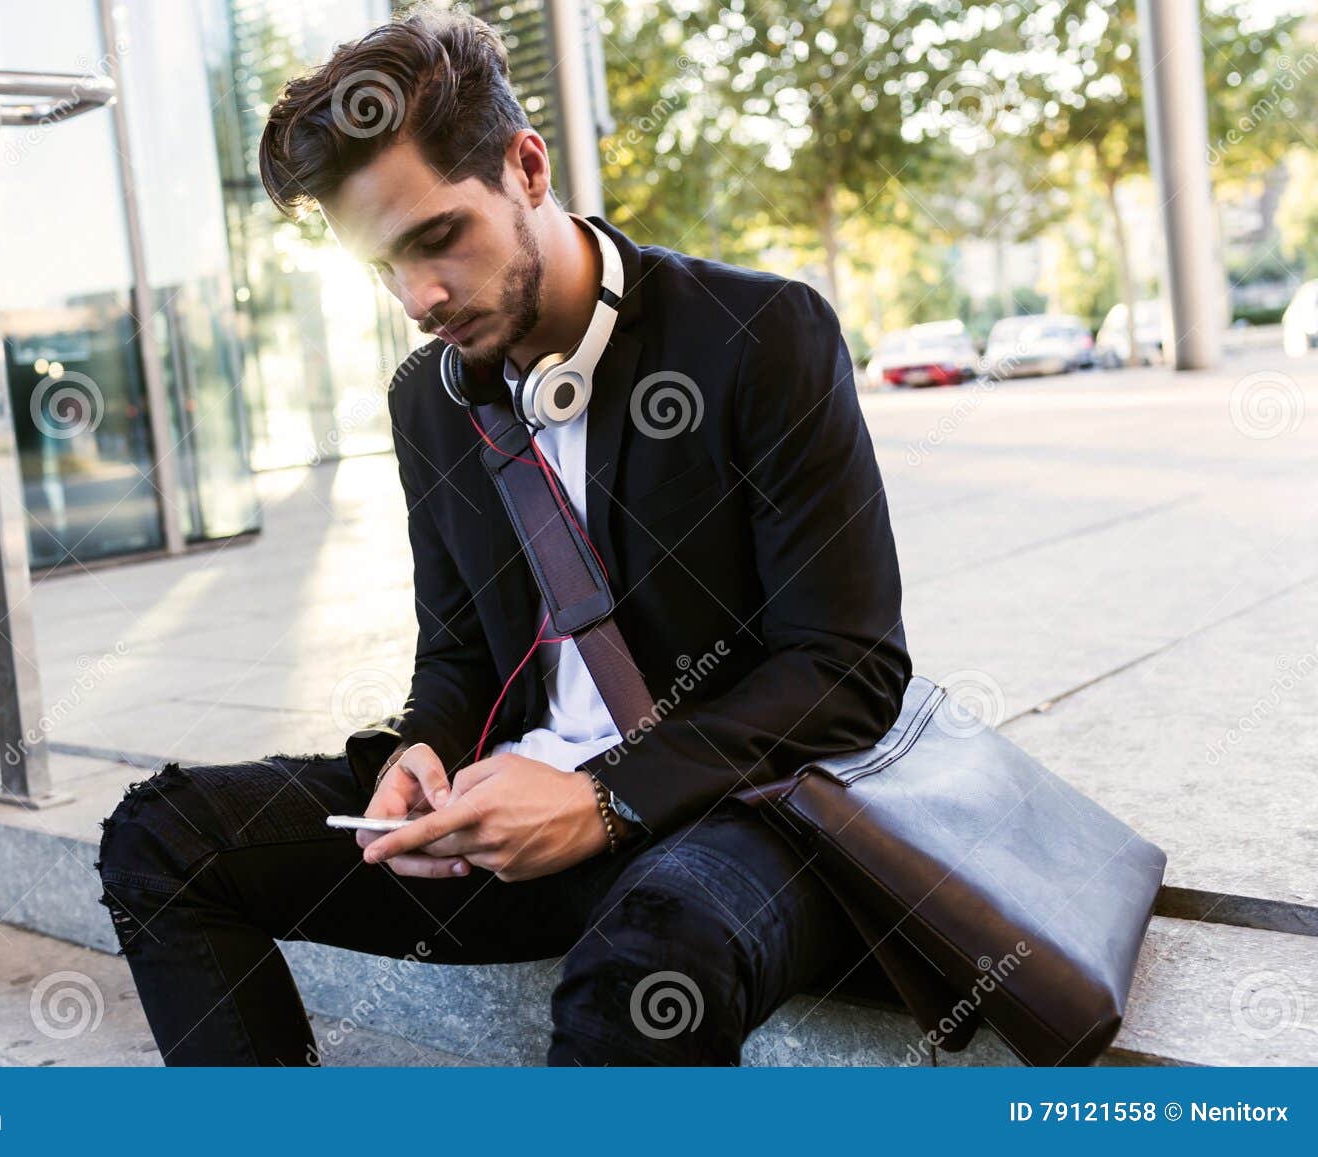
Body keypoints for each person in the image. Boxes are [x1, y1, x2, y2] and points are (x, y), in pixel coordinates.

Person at [95, 4, 910, 1066]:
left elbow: (849, 666)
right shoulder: (427, 397)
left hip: (730, 817)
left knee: (638, 975)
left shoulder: (759, 336)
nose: (419, 297)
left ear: (527, 166)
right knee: (160, 836)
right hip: (506, 821)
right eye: (382, 266)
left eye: (438, 238)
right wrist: (419, 749)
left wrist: (604, 799)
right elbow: (460, 650)